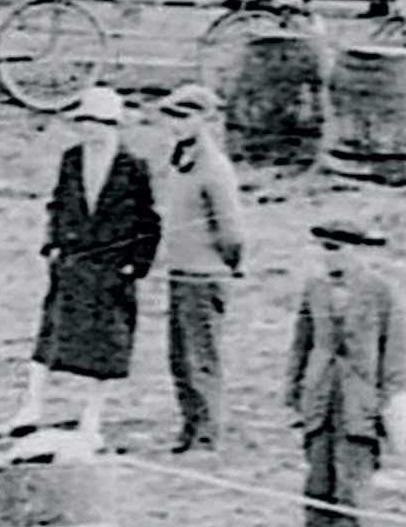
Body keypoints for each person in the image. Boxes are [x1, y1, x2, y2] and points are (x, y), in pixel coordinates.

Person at [18, 87, 161, 449]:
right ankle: (30, 407)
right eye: (82, 122)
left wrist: (136, 264)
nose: (87, 130)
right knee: (51, 336)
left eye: (94, 123)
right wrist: (51, 245)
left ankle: (91, 416)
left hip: (111, 268)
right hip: (72, 262)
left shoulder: (133, 167)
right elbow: (58, 203)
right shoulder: (71, 159)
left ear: (112, 126)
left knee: (105, 346)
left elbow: (148, 220)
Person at [283, 219, 398, 527]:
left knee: (352, 488)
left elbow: (395, 354)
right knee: (318, 485)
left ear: (357, 252)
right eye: (323, 250)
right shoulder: (314, 289)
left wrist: (388, 408)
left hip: (360, 406)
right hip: (320, 401)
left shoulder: (380, 292)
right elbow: (300, 344)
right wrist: (293, 394)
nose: (328, 257)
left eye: (336, 250)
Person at [149, 86, 248, 453]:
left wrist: (227, 265)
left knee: (201, 357)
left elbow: (231, 231)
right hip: (180, 274)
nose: (177, 126)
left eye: (186, 117)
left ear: (206, 120)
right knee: (180, 358)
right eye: (172, 118)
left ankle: (207, 435)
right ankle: (190, 427)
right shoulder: (180, 160)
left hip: (205, 277)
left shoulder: (215, 168)